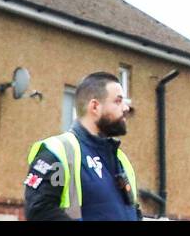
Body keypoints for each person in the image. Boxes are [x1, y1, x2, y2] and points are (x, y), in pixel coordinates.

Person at [23, 71, 141, 221]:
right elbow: (40, 210)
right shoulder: (58, 152)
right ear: (95, 107)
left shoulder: (121, 161)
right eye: (118, 101)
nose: (126, 108)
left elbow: (133, 213)